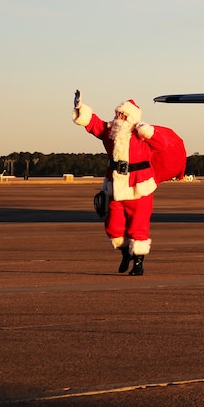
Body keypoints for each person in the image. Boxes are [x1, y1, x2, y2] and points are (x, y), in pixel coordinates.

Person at [74, 96, 162, 276]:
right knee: (113, 226)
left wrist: (149, 132)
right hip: (116, 186)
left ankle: (138, 263)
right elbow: (95, 124)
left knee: (138, 226)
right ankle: (125, 254)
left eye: (121, 115)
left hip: (139, 187)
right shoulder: (111, 133)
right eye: (117, 114)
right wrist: (81, 108)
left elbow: (163, 143)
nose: (117, 117)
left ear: (130, 117)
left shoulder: (142, 135)